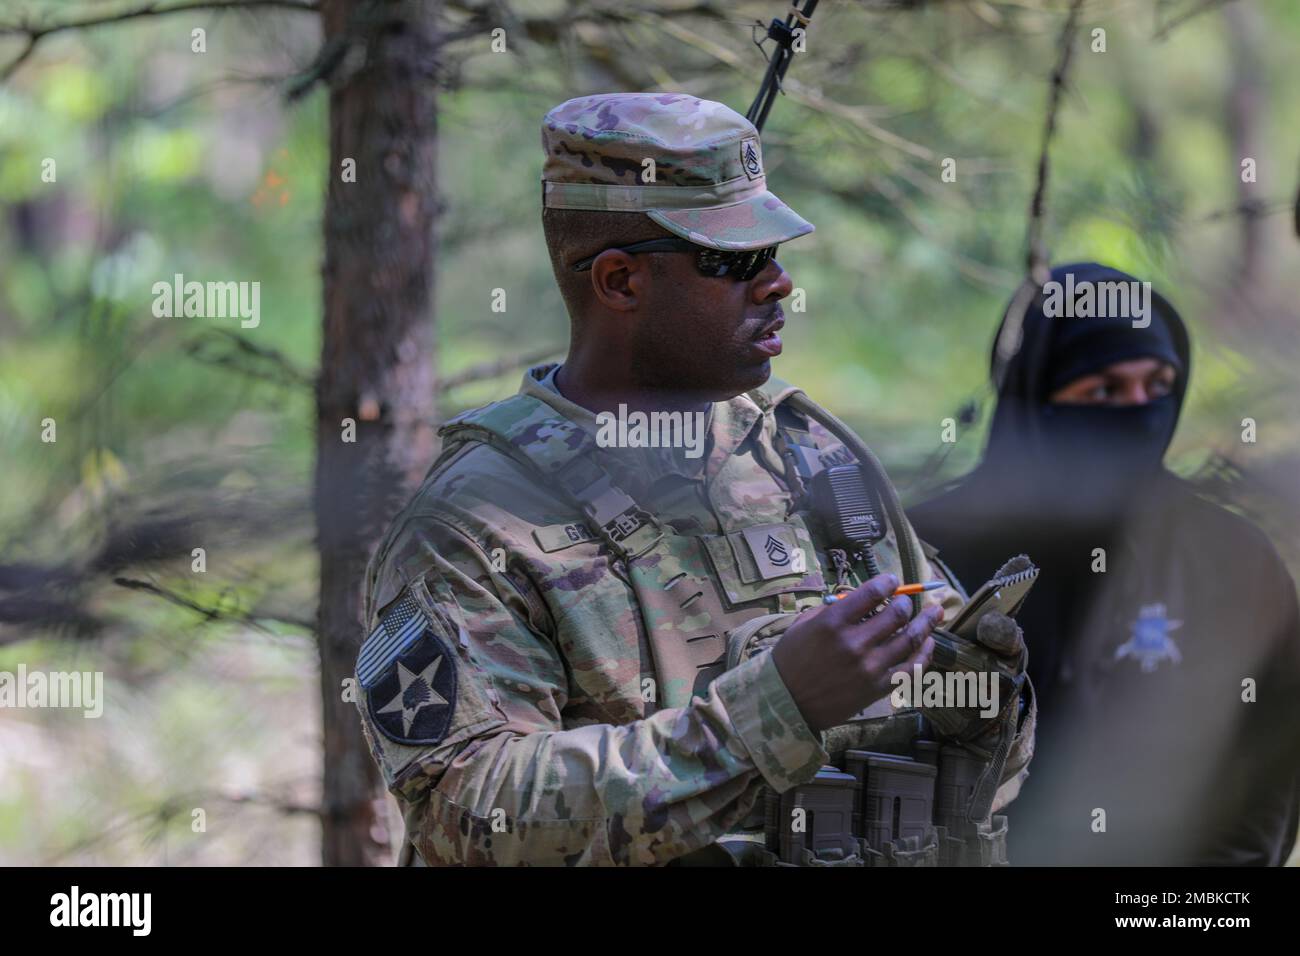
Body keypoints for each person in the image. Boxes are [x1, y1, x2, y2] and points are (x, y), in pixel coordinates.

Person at [353, 92, 1034, 866]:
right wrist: (773, 710)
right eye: (735, 261)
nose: (777, 283)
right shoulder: (475, 519)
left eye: (774, 254)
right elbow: (466, 812)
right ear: (619, 282)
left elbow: (967, 758)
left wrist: (974, 694)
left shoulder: (807, 455)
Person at [910, 262, 1300, 865]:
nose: (1139, 409)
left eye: (1158, 385)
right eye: (1104, 391)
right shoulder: (931, 547)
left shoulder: (1231, 558)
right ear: (1036, 396)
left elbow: (1268, 773)